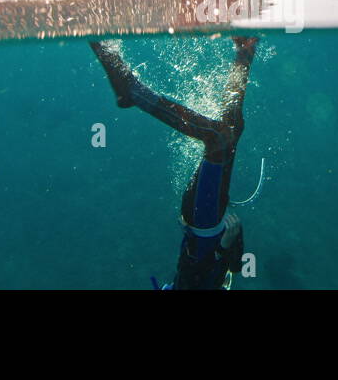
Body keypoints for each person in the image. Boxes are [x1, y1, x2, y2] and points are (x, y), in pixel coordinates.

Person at [89, 36, 258, 290]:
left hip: (204, 220)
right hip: (211, 214)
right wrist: (230, 245)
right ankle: (244, 49)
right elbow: (234, 265)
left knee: (218, 139)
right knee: (232, 128)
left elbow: (193, 275)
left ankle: (131, 90)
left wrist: (223, 248)